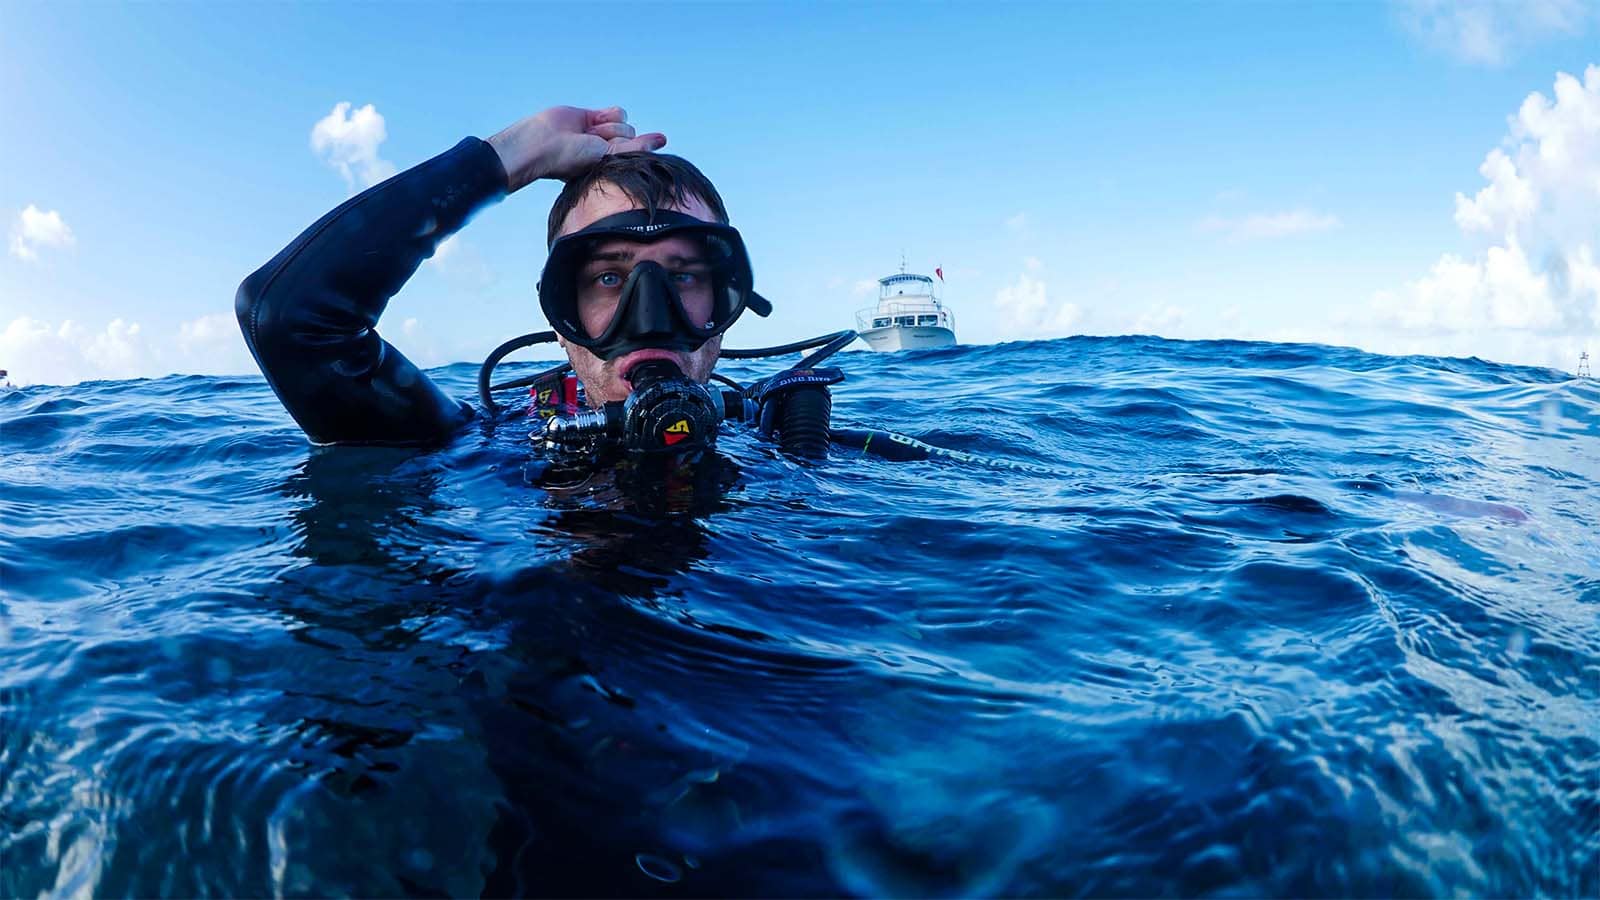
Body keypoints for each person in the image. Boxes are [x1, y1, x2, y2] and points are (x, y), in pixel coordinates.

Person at [236, 104, 762, 447]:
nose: (649, 318)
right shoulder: (489, 448)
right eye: (608, 277)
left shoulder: (789, 439)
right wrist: (511, 157)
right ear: (560, 314)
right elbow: (286, 316)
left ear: (727, 300)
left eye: (686, 275)